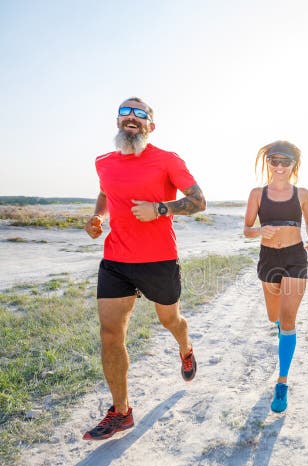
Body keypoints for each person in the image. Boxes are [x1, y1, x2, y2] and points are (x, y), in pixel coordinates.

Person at [82, 97, 206, 440]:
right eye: (125, 112)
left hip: (158, 260)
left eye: (140, 113)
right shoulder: (103, 161)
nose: (131, 117)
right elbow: (106, 195)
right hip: (116, 261)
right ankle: (121, 412)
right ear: (118, 121)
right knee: (110, 335)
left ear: (151, 125)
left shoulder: (167, 160)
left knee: (171, 321)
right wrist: (97, 217)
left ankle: (185, 347)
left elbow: (198, 201)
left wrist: (161, 208)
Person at [243, 140, 308, 413]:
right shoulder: (256, 194)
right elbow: (247, 229)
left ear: (293, 165)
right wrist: (259, 232)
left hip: (295, 258)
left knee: (288, 320)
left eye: (284, 162)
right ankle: (281, 330)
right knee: (273, 317)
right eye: (273, 161)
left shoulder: (302, 194)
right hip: (269, 260)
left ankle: (282, 383)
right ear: (268, 163)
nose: (278, 166)